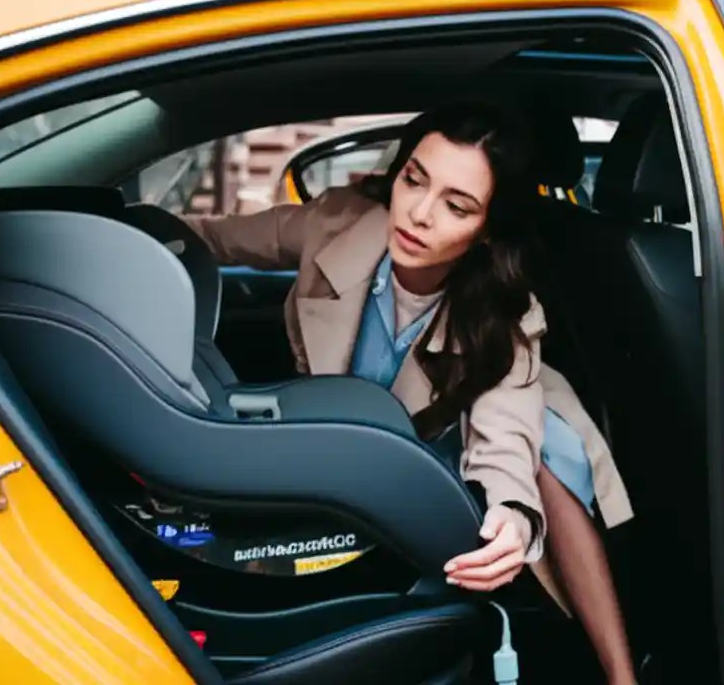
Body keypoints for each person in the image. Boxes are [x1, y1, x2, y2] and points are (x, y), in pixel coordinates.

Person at [183, 101, 638, 684]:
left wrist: (512, 517)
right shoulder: (337, 223)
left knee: (545, 456)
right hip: (352, 433)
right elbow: (216, 239)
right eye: (414, 179)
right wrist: (125, 231)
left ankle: (621, 674)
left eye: (456, 206)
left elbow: (503, 435)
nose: (419, 214)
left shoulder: (507, 311)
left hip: (457, 431)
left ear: (486, 230)